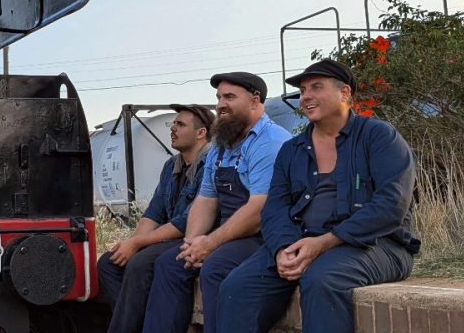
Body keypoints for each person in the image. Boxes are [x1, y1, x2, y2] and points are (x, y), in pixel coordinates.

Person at [216, 59, 420, 333]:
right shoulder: (292, 149)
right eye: (302, 90)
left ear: (344, 93)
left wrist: (325, 242)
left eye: (316, 87)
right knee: (237, 287)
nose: (306, 97)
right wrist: (282, 250)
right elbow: (275, 209)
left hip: (375, 245)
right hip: (302, 244)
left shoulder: (379, 137)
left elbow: (391, 205)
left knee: (323, 280)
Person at [172, 72, 293, 333]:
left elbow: (259, 209)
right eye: (218, 98)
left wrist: (210, 243)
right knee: (170, 263)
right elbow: (206, 199)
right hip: (230, 231)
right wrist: (192, 243)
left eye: (229, 97)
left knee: (215, 267)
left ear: (255, 100)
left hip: (263, 233)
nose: (220, 104)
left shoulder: (270, 141)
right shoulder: (221, 145)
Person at [97, 104, 213, 333]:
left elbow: (186, 222)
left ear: (201, 133)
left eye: (180, 125)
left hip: (196, 237)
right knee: (109, 263)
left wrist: (139, 244)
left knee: (142, 263)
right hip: (168, 238)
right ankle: (139, 324)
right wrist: (132, 244)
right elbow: (154, 212)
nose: (173, 129)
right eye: (173, 124)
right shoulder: (171, 165)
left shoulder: (211, 163)